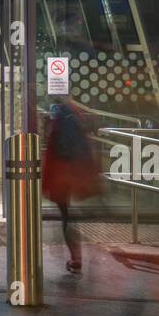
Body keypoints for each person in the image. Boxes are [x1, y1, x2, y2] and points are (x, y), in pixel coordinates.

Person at [41, 96, 102, 274]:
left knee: (66, 215)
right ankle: (77, 255)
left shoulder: (65, 116)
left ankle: (76, 258)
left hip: (64, 172)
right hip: (70, 171)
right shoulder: (72, 114)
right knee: (68, 214)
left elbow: (66, 146)